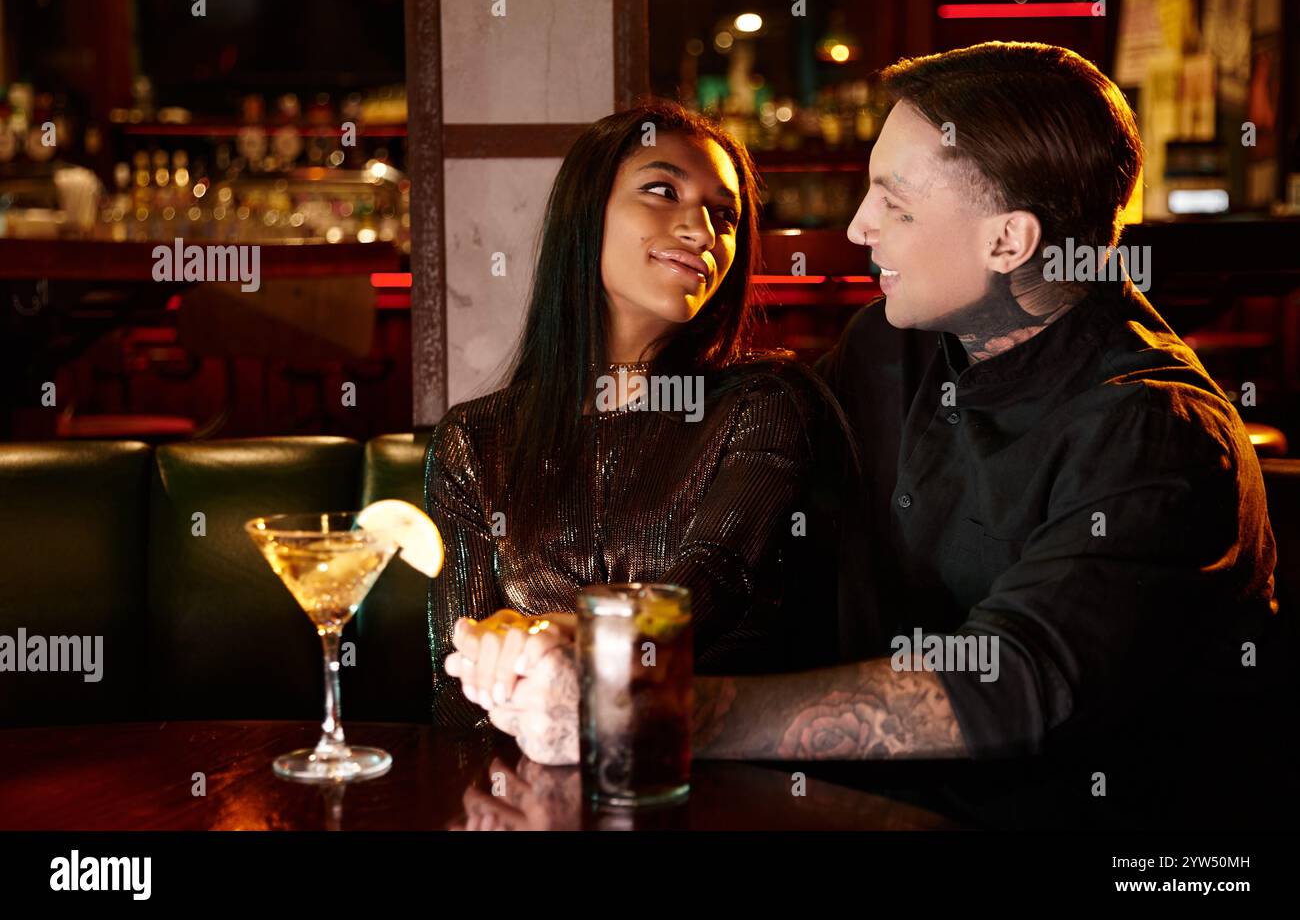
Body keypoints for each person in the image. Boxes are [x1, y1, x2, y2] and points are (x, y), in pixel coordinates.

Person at [469, 43, 1294, 828]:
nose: (859, 227)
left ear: (1008, 240)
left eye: (894, 203)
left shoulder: (1159, 433)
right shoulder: (889, 347)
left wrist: (654, 715)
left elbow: (1014, 684)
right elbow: (732, 465)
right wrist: (543, 623)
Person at [424, 99, 847, 730]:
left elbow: (714, 579)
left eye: (725, 216)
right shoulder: (476, 439)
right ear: (586, 211)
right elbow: (454, 686)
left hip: (714, 769)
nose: (702, 232)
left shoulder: (765, 401)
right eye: (663, 191)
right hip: (522, 773)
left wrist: (570, 642)